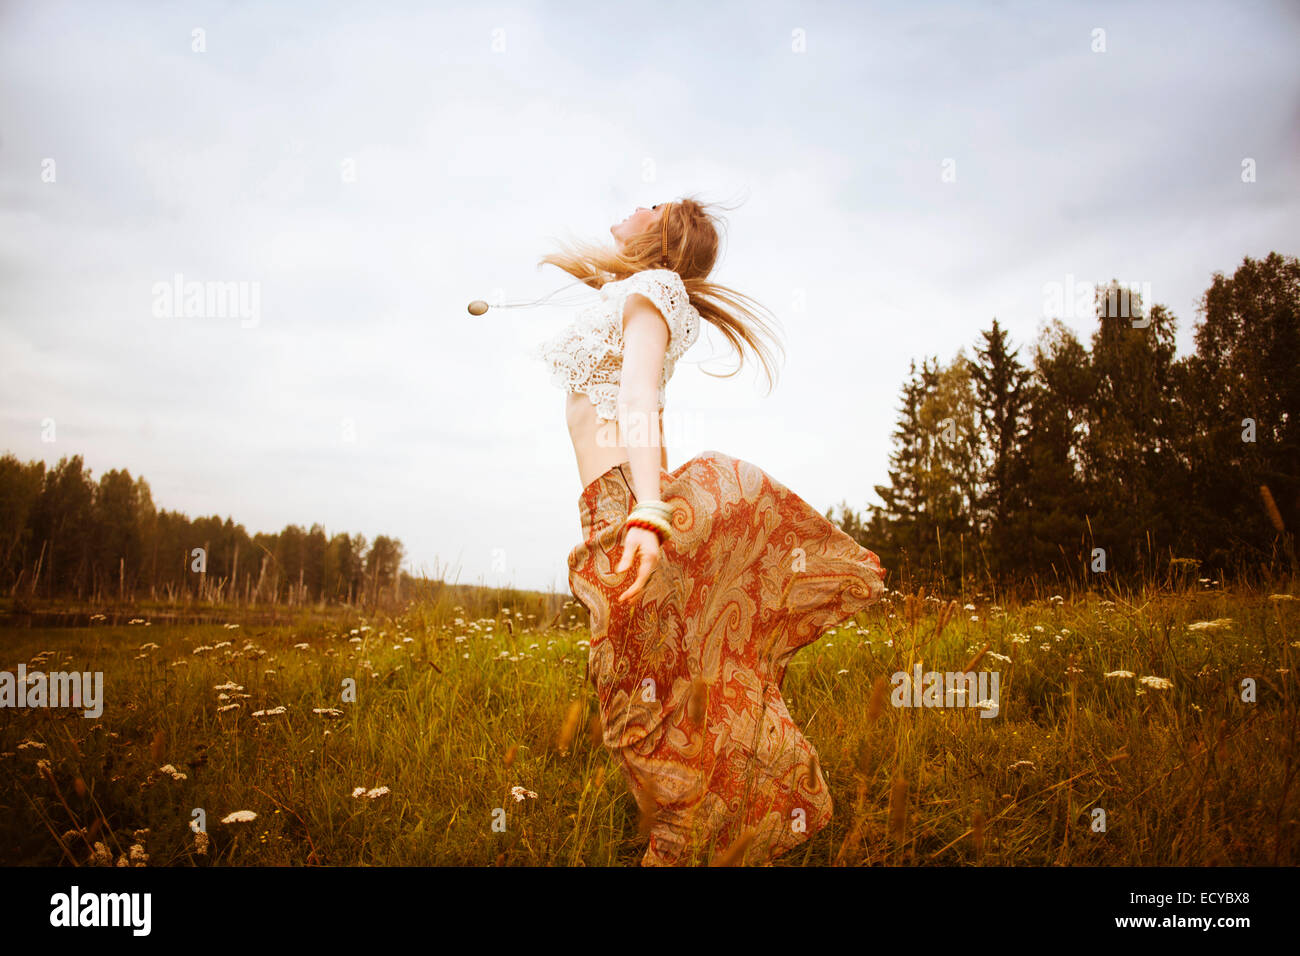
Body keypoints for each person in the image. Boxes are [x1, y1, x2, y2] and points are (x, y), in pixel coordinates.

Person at [532, 195, 888, 866]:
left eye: (654, 203)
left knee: (634, 700)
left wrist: (647, 511)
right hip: (613, 504)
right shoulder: (635, 290)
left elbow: (640, 396)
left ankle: (687, 839)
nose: (636, 203)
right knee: (660, 685)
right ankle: (718, 822)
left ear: (664, 236)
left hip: (628, 506)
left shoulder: (657, 286)